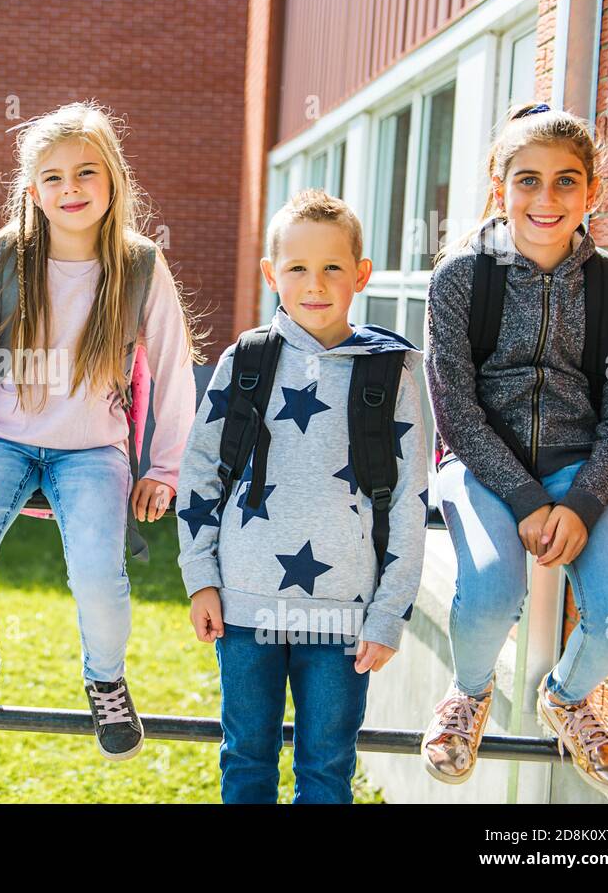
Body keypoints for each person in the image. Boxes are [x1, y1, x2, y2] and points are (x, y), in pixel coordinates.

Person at [0, 102, 200, 760]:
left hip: (92, 450)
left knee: (99, 572)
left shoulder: (140, 265)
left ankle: (105, 680)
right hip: (2, 441)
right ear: (32, 189)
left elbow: (174, 369)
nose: (70, 189)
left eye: (85, 172)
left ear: (114, 178)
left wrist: (165, 468)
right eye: (52, 177)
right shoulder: (9, 257)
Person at [420, 103, 608, 795]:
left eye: (565, 182)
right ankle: (467, 694)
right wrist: (522, 497)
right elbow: (453, 405)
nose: (545, 199)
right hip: (478, 464)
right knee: (493, 590)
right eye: (527, 181)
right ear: (500, 187)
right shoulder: (461, 278)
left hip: (582, 467)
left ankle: (568, 696)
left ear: (592, 193)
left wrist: (581, 503)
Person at [178, 188, 428, 803]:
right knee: (246, 761)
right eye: (297, 268)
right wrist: (199, 575)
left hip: (345, 617)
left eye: (332, 268)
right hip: (244, 609)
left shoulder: (390, 371)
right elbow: (201, 470)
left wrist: (388, 612)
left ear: (362, 275)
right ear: (272, 275)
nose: (314, 284)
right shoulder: (247, 360)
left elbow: (410, 500)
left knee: (326, 771)